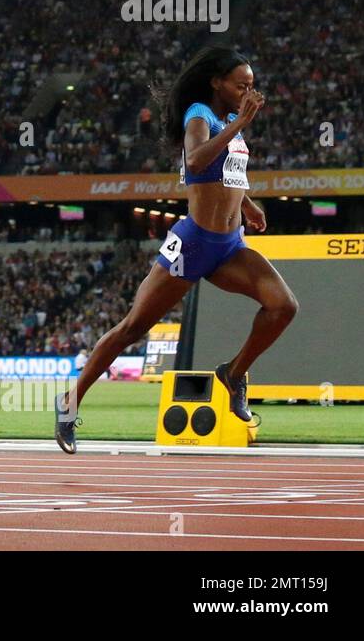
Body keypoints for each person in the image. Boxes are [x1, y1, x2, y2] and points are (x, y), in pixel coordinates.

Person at [55, 47, 297, 453]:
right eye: (241, 85)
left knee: (283, 306)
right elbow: (198, 160)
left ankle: (233, 375)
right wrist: (240, 122)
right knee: (133, 327)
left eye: (252, 86)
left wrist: (249, 204)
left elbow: (229, 172)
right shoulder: (200, 114)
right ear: (217, 82)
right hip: (193, 243)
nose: (249, 92)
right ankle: (70, 400)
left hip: (230, 245)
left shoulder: (226, 123)